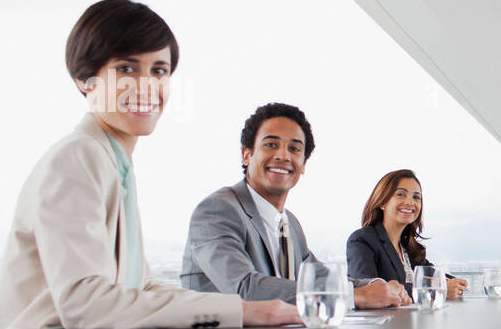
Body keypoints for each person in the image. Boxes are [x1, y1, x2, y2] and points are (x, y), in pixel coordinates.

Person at [0, 0, 301, 329]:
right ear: (85, 80)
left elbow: (142, 287)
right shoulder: (78, 157)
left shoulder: (115, 163)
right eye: (126, 69)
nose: (146, 85)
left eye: (159, 70)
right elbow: (85, 303)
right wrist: (245, 311)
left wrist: (248, 310)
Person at [180, 103, 409, 309]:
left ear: (303, 164)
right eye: (271, 144)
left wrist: (377, 286)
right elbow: (243, 288)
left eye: (294, 149)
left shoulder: (289, 223)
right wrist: (352, 296)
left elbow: (319, 277)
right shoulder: (217, 210)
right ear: (246, 155)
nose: (283, 156)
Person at [346, 170, 469, 300]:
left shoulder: (408, 248)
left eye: (416, 197)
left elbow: (436, 275)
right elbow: (368, 293)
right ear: (382, 202)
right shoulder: (362, 240)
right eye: (401, 194)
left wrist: (454, 284)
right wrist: (436, 289)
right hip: (386, 320)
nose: (410, 202)